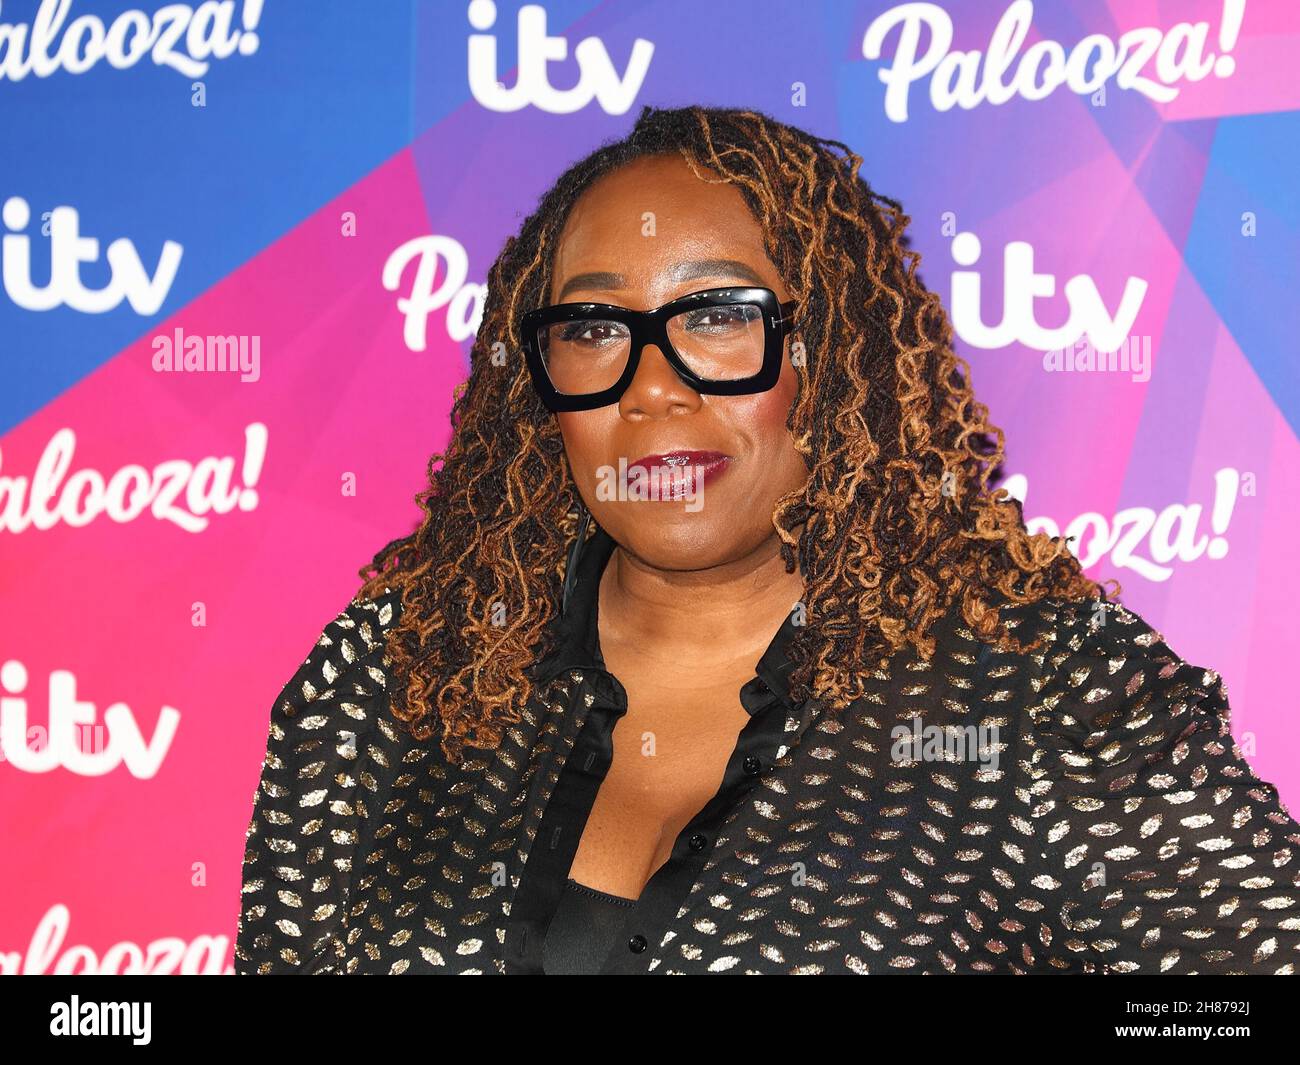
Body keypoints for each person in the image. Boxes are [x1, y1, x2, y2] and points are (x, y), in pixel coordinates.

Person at [234, 104, 1299, 975]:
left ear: (831, 357)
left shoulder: (1041, 696)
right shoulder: (390, 675)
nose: (650, 389)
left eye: (716, 317)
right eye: (595, 329)